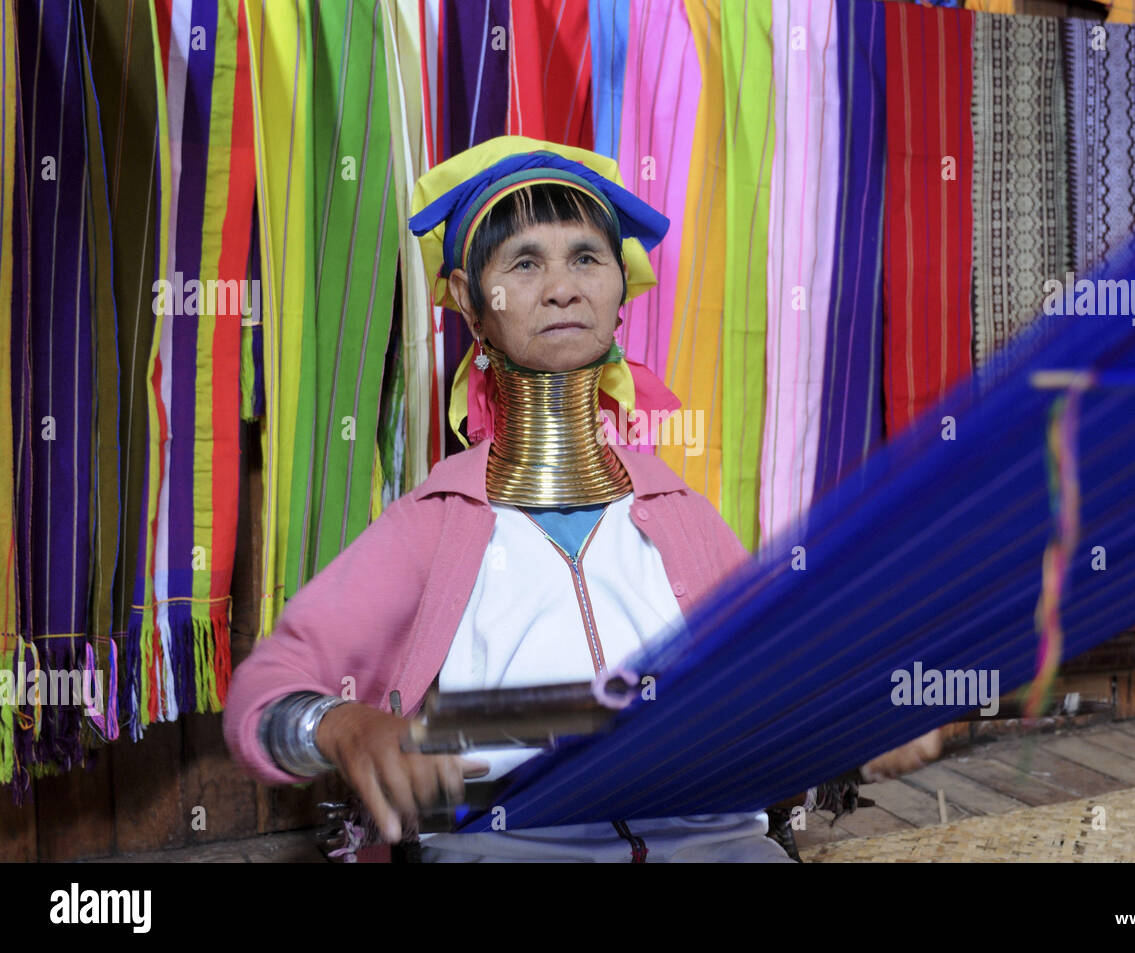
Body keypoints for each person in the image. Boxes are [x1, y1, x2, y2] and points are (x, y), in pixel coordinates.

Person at [223, 135, 796, 862]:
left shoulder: (677, 510)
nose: (563, 286)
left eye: (587, 258)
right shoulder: (435, 524)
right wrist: (341, 726)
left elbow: (773, 671)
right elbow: (261, 695)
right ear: (469, 298)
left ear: (621, 287)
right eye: (525, 262)